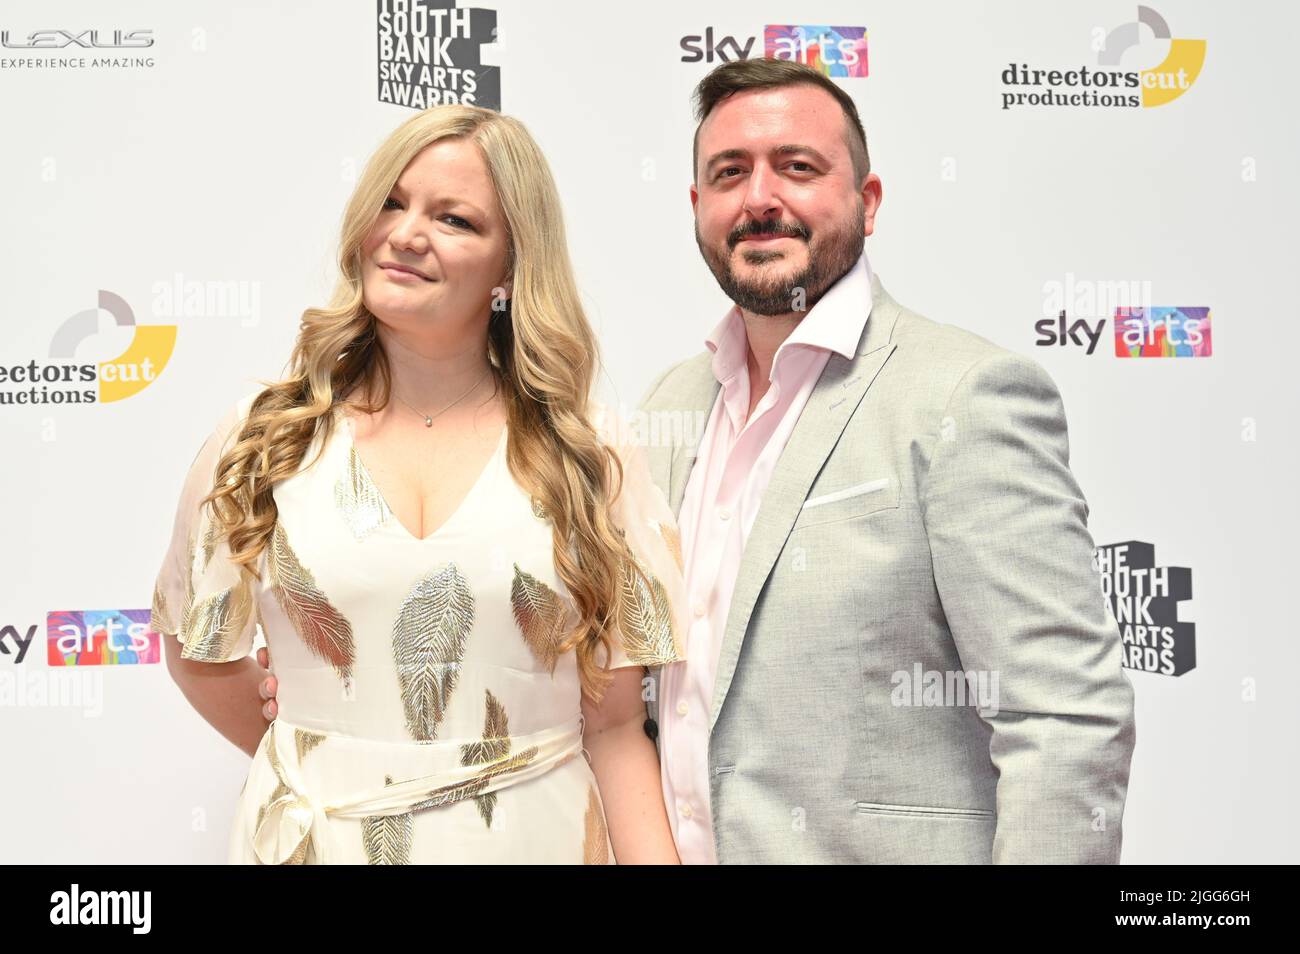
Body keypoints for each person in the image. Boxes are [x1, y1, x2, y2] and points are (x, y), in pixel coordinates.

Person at [152, 104, 687, 864]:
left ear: (510, 267)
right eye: (392, 203)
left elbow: (611, 728)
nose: (405, 234)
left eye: (455, 220)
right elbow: (198, 654)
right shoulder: (267, 437)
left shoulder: (588, 453)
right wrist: (327, 760)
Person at [633, 58, 1136, 863]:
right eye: (730, 174)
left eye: (797, 168)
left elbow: (1065, 718)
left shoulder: (965, 396)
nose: (760, 198)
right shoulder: (666, 407)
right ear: (699, 208)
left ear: (866, 204)